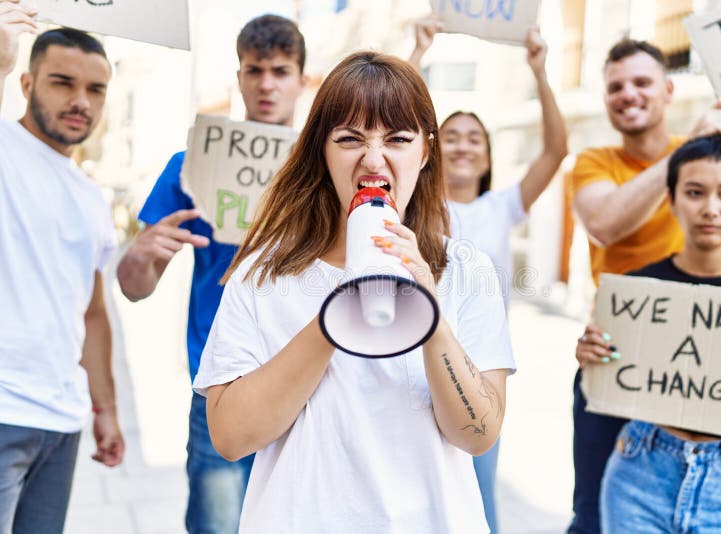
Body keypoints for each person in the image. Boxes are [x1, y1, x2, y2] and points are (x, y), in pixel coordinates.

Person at [192, 50, 515, 534]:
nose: (373, 158)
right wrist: (334, 319)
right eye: (349, 139)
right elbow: (231, 437)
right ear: (322, 151)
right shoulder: (262, 273)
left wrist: (431, 319)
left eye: (398, 140)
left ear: (426, 152)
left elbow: (478, 433)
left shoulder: (467, 271)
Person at [568, 38, 721, 534]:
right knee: (593, 516)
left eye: (641, 82)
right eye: (615, 87)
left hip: (711, 371)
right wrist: (685, 149)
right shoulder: (594, 161)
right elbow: (605, 223)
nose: (628, 94)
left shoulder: (714, 149)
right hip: (623, 358)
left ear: (669, 89)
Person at [115, 14, 306, 533]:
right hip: (220, 378)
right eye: (255, 70)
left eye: (280, 71)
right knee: (217, 524)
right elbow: (134, 287)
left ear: (301, 79)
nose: (267, 83)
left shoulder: (324, 169)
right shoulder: (191, 163)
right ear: (239, 77)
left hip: (306, 379)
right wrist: (143, 252)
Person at [410, 20, 568, 531]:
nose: (462, 145)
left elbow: (555, 151)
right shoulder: (417, 204)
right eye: (450, 136)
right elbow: (394, 133)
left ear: (487, 155)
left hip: (481, 367)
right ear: (432, 151)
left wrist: (540, 72)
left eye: (474, 138)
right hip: (417, 356)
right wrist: (417, 51)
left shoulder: (504, 206)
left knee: (478, 491)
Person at [0, 8, 125, 532]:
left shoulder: (91, 198)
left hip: (62, 421)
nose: (80, 101)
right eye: (62, 82)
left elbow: (93, 313)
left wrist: (105, 409)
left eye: (95, 89)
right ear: (26, 82)